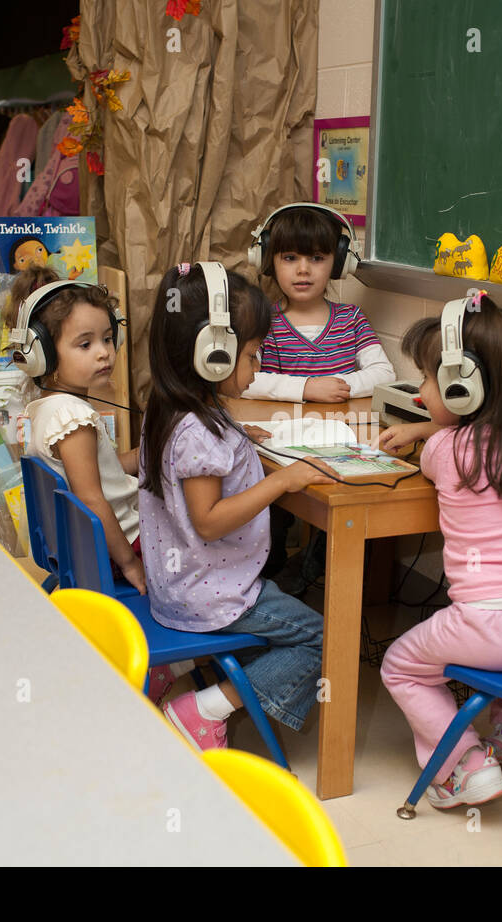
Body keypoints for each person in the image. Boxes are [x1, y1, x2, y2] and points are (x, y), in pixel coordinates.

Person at [375, 291, 502, 809]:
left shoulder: (445, 450)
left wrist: (425, 432)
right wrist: (430, 424)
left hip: (490, 628)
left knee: (399, 664)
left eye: (426, 380)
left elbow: (439, 452)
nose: (421, 393)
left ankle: (465, 764)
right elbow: (479, 435)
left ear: (461, 386)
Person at [138, 261, 335, 751]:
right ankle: (204, 709)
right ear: (213, 356)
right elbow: (207, 521)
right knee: (325, 638)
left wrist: (240, 439)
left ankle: (176, 667)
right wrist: (283, 479)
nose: (259, 366)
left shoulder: (172, 408)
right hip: (210, 594)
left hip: (176, 586)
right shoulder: (199, 430)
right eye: (252, 355)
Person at [243, 202, 396, 589]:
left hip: (341, 439)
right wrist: (307, 387)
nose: (303, 269)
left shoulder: (352, 319)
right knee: (269, 510)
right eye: (290, 257)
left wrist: (339, 385)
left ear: (338, 263)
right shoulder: (266, 323)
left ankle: (322, 570)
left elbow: (384, 374)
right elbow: (248, 380)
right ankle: (271, 576)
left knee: (357, 491)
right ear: (268, 260)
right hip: (281, 442)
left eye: (317, 257)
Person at [10, 266, 146, 597]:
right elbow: (92, 497)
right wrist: (129, 563)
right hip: (121, 547)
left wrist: (151, 454)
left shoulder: (44, 409)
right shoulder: (72, 417)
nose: (104, 352)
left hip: (83, 550)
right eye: (85, 344)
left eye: (108, 338)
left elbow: (104, 472)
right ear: (41, 356)